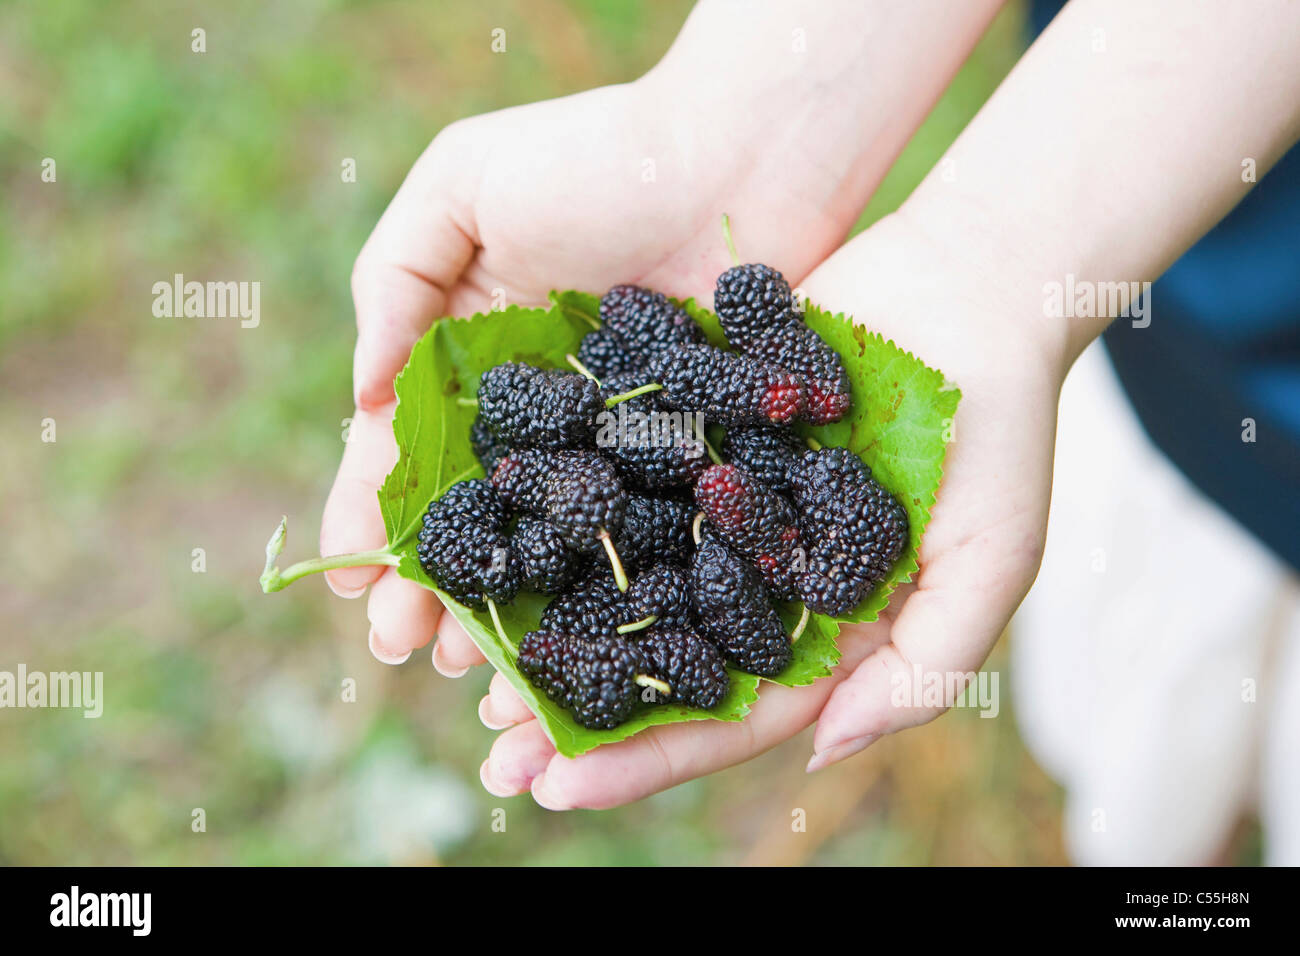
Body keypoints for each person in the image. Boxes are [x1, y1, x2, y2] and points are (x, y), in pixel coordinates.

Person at [317, 0, 1300, 856]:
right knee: (1167, 718)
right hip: (1186, 347)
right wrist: (725, 132)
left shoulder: (732, 450)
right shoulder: (660, 457)